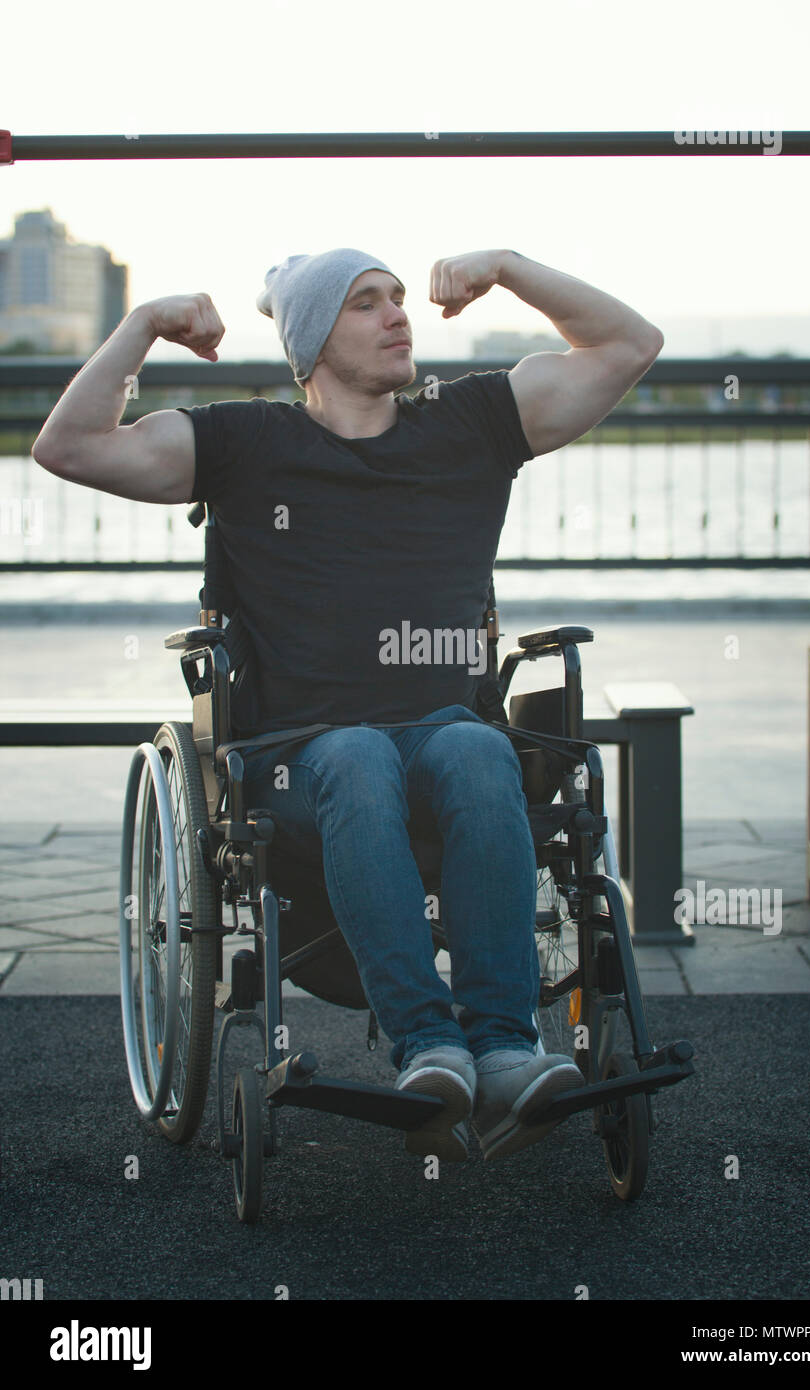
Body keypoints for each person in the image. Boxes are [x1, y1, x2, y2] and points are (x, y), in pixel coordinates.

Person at [31, 246, 663, 1163]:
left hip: (449, 735)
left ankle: (502, 1048)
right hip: (301, 756)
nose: (397, 314)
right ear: (313, 341)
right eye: (367, 304)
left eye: (399, 298)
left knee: (483, 750)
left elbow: (630, 345)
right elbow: (68, 446)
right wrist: (142, 326)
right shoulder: (245, 443)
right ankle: (428, 1046)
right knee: (361, 753)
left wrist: (509, 269)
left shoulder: (471, 420)